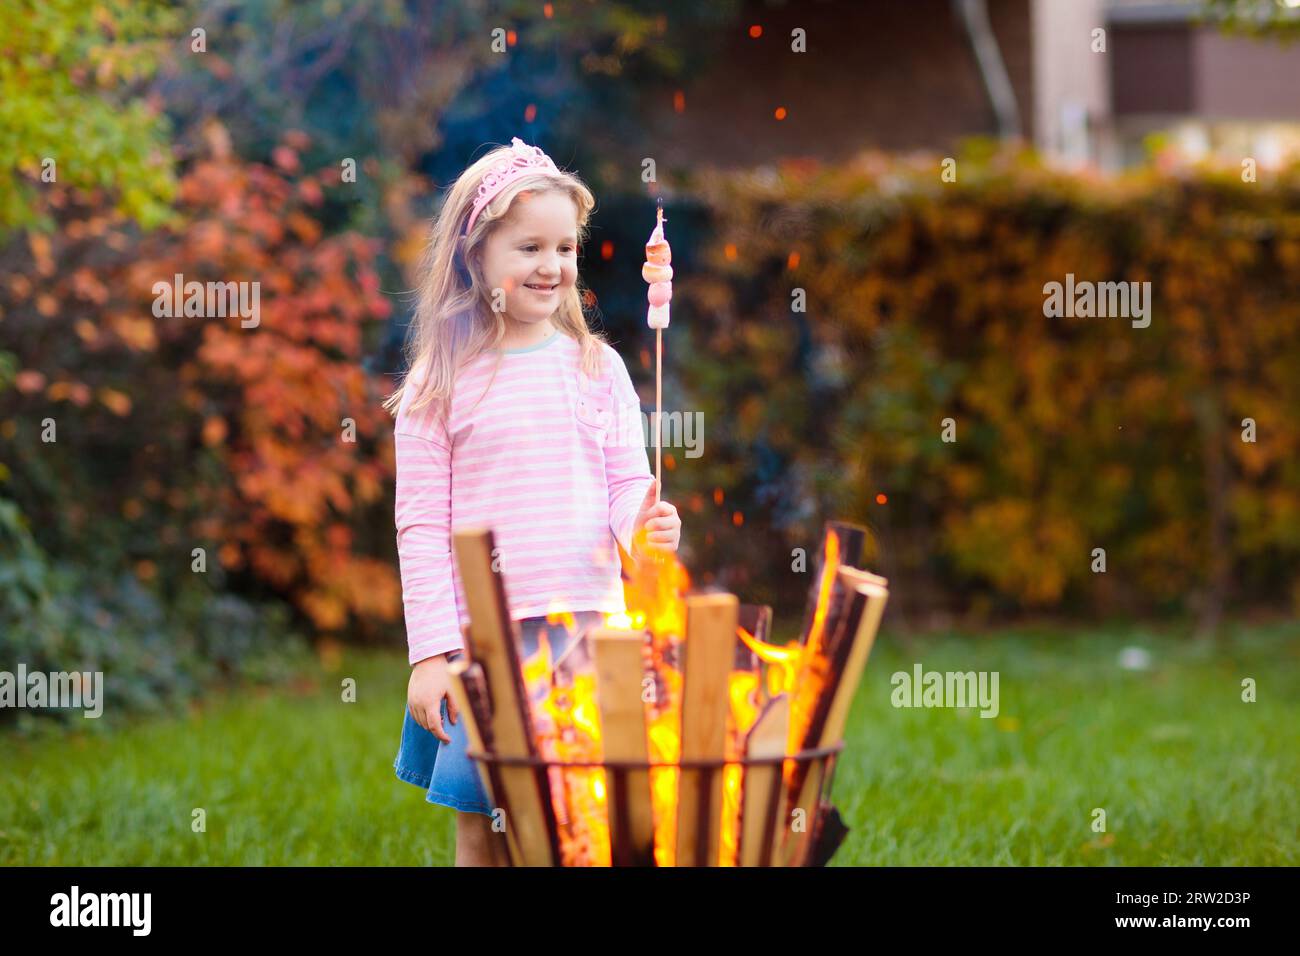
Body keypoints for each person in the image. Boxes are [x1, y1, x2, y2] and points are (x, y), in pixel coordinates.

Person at [383, 137, 682, 866]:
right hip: (484, 644)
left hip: (584, 634)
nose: (550, 266)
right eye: (528, 248)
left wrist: (643, 523)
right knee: (482, 822)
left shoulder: (595, 366)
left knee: (570, 826)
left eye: (564, 248)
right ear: (475, 256)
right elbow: (420, 527)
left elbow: (621, 483)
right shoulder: (439, 383)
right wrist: (431, 655)